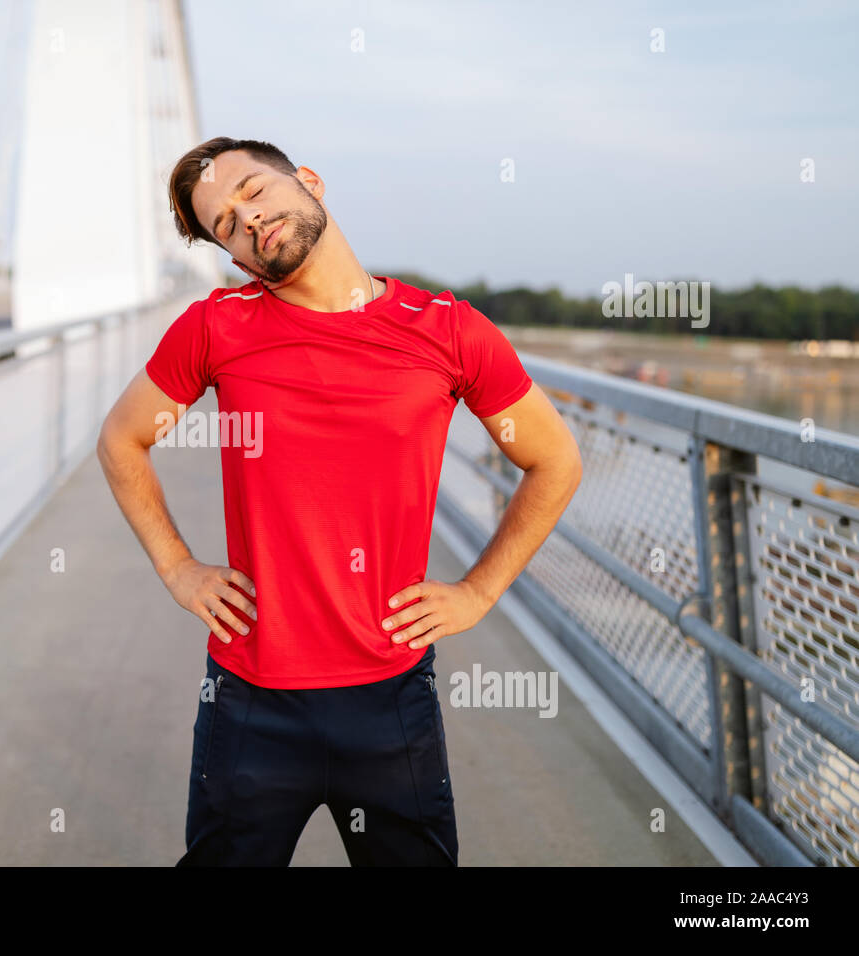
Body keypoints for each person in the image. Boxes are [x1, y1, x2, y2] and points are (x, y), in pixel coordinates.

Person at [96, 137, 583, 865]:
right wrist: (178, 567)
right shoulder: (217, 328)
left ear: (310, 183)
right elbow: (121, 440)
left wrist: (479, 593)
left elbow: (555, 460)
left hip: (390, 699)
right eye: (226, 224)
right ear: (235, 259)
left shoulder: (448, 330)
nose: (248, 220)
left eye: (254, 193)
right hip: (248, 698)